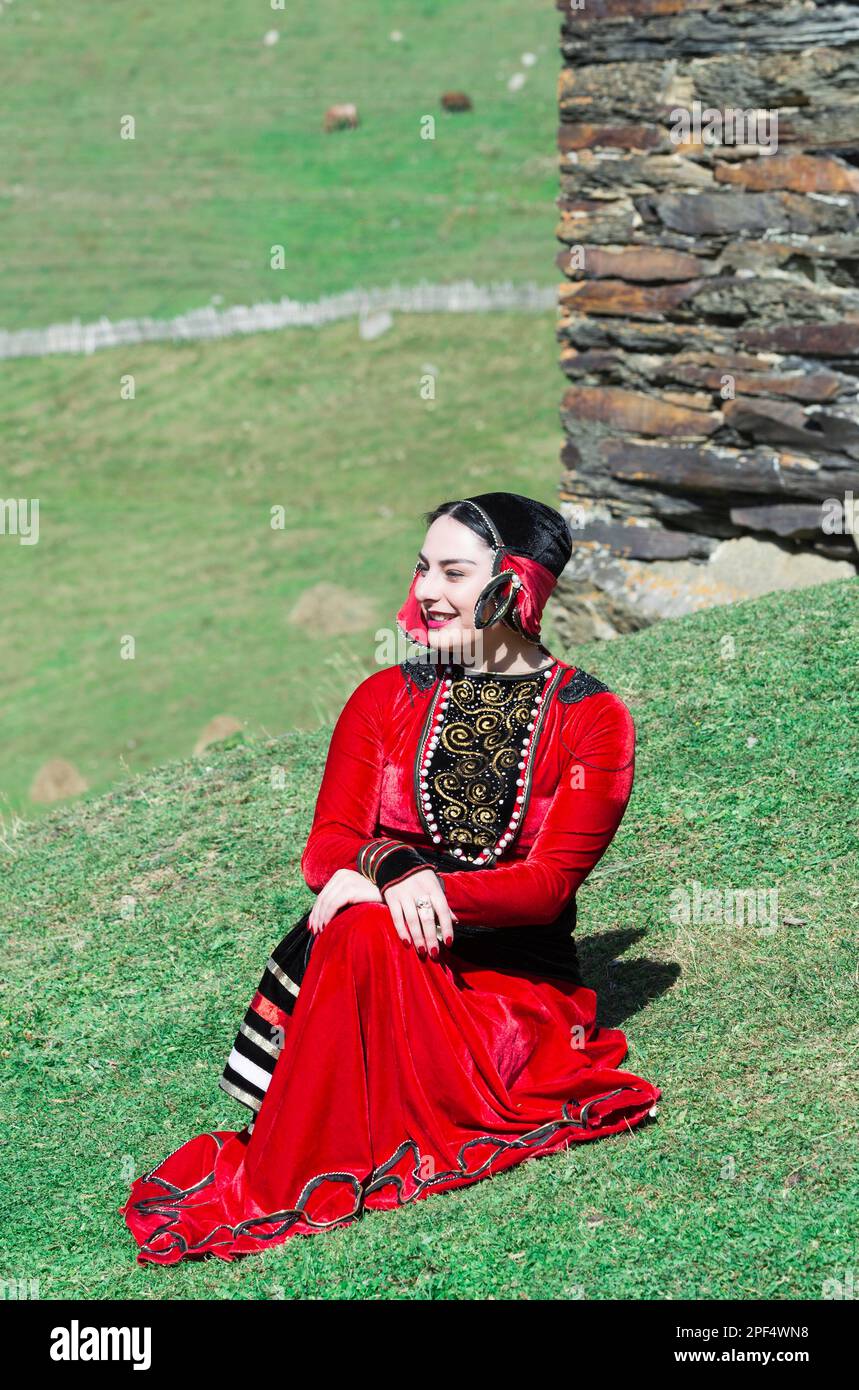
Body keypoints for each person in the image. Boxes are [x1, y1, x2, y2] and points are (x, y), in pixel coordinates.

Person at [119, 491, 661, 1265]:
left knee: (363, 919)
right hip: (383, 952)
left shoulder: (591, 716)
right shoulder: (385, 697)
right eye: (420, 569)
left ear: (516, 586)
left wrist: (417, 891)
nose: (426, 592)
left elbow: (545, 886)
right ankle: (305, 1163)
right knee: (362, 924)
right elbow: (327, 846)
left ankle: (313, 1158)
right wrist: (389, 865)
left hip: (507, 985)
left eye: (453, 572)